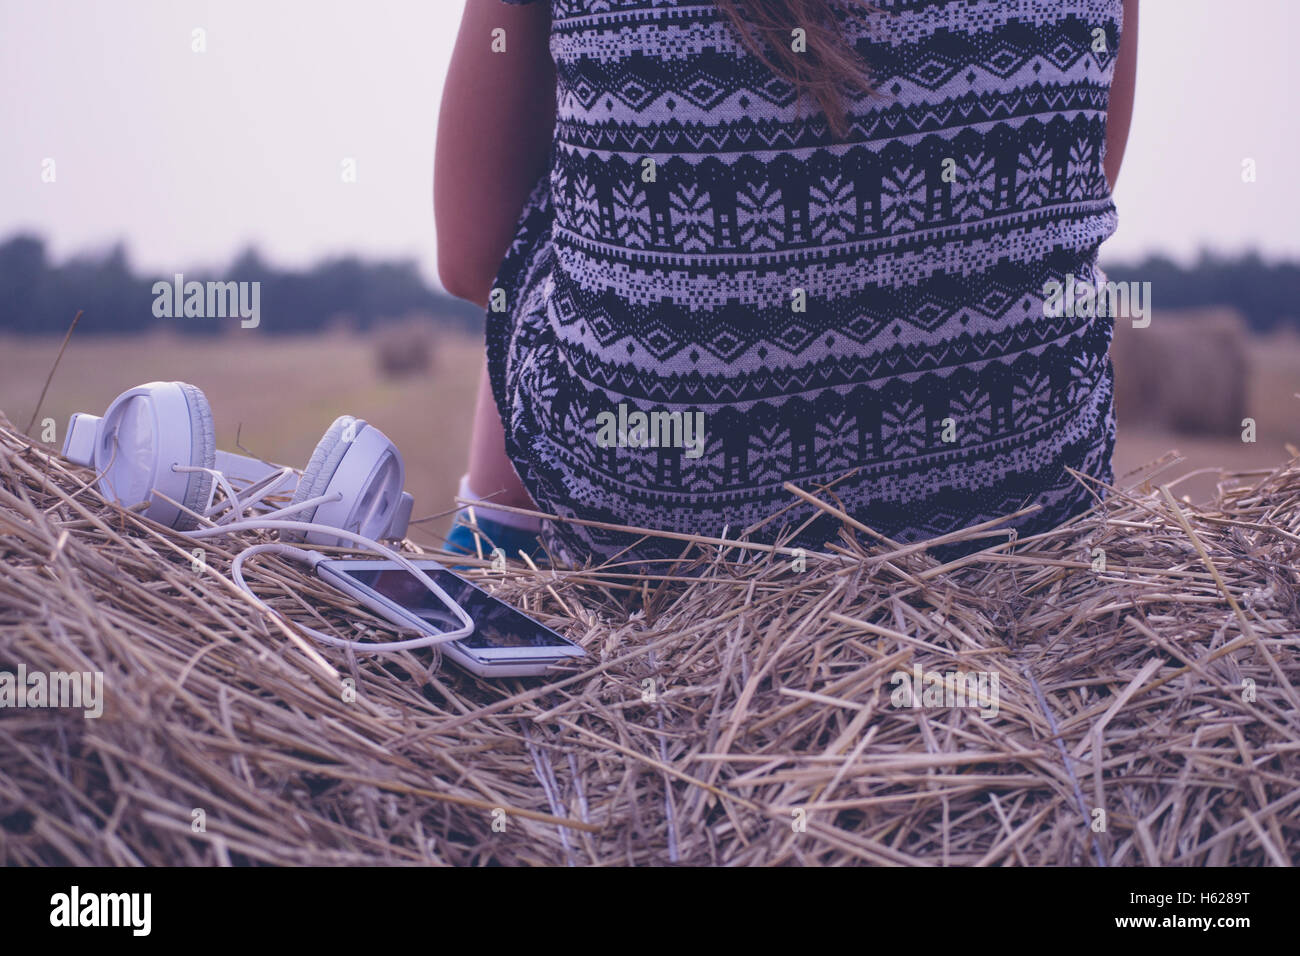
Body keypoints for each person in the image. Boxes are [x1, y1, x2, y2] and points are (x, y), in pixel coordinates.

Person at [435, 0, 1139, 566]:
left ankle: (495, 558)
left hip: (650, 522)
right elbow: (1075, 188)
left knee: (567, 227)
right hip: (1031, 494)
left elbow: (472, 259)